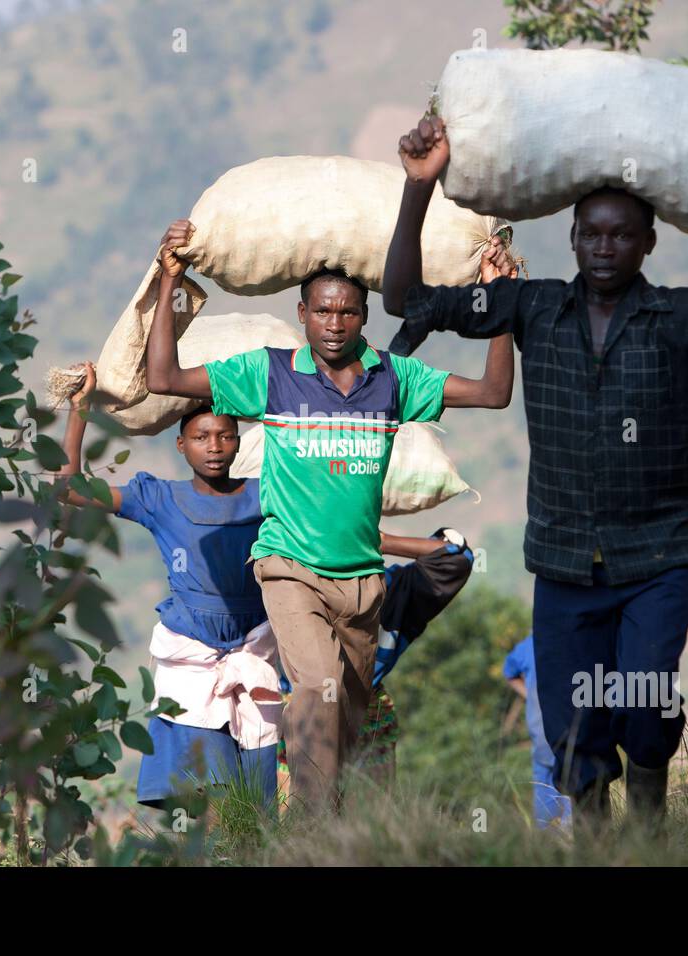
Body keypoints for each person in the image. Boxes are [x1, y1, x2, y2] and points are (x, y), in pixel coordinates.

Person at [382, 108, 688, 823]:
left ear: (648, 242)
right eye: (592, 232)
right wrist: (418, 188)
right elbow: (406, 299)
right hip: (563, 563)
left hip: (659, 557)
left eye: (622, 234)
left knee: (646, 712)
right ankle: (599, 844)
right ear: (573, 238)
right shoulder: (531, 308)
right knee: (574, 733)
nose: (605, 246)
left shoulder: (683, 319)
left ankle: (649, 809)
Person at [145, 218, 518, 809]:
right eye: (322, 311)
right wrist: (170, 281)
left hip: (363, 582)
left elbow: (494, 392)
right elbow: (162, 377)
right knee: (317, 692)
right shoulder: (269, 373)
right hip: (291, 569)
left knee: (348, 720)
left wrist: (503, 304)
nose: (334, 324)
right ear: (302, 313)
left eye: (347, 312)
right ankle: (310, 836)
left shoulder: (394, 379)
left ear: (364, 317)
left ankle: (334, 832)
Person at [58, 363, 282, 810]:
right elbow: (70, 488)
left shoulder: (268, 495)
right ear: (181, 445)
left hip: (254, 655)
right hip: (191, 663)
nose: (214, 447)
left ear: (239, 442)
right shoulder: (158, 498)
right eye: (201, 438)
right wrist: (80, 408)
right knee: (209, 795)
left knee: (258, 802)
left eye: (224, 436)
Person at [273, 526, 478, 801]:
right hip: (299, 725)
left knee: (364, 830)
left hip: (364, 724)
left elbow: (455, 558)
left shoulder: (387, 593)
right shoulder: (283, 589)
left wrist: (377, 539)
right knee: (305, 828)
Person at [504, 635, 571, 829]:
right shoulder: (569, 639)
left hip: (539, 730)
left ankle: (545, 840)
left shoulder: (527, 645)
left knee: (544, 784)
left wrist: (530, 695)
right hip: (565, 729)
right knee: (572, 778)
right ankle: (573, 834)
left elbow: (509, 672)